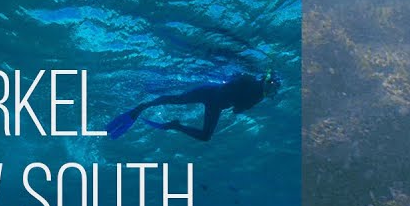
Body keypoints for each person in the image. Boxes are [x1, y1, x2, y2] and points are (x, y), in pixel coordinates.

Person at [106, 72, 280, 141]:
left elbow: (236, 110)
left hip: (215, 105)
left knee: (206, 136)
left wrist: (244, 101)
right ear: (266, 80)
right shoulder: (249, 79)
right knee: (177, 99)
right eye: (270, 85)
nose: (269, 90)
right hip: (209, 92)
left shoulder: (256, 98)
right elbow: (232, 91)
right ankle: (142, 106)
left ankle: (175, 125)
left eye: (272, 90)